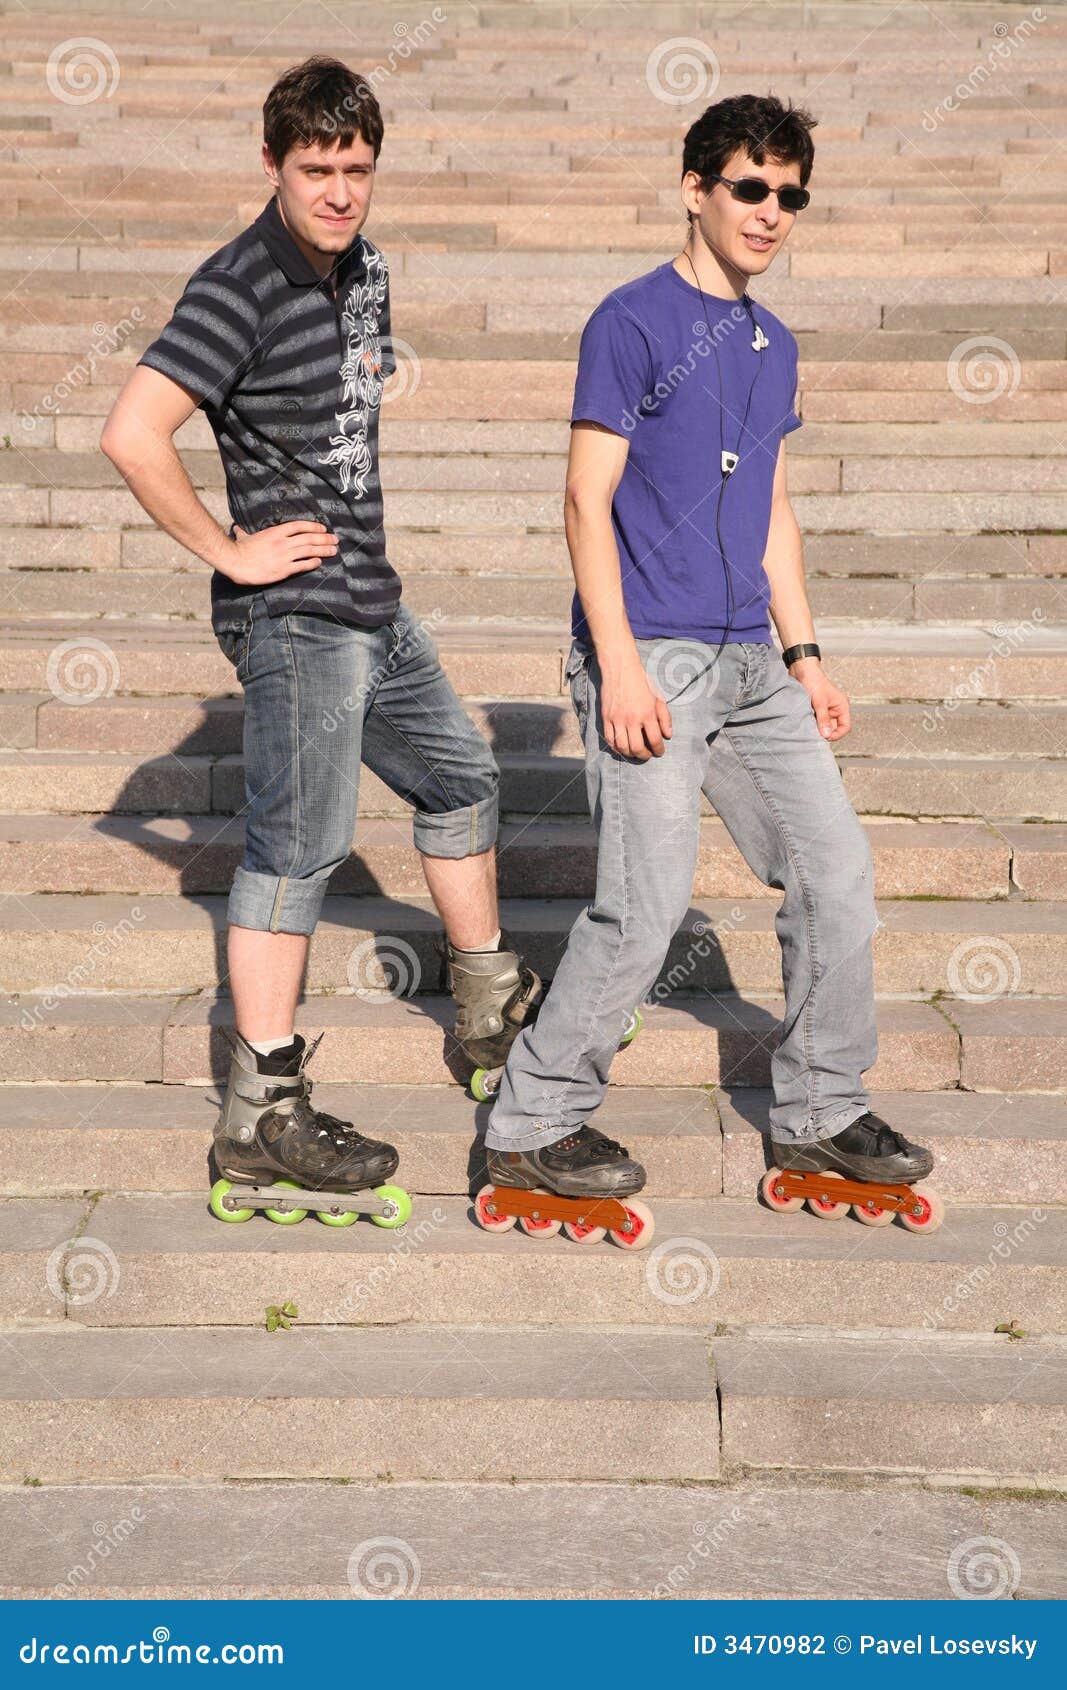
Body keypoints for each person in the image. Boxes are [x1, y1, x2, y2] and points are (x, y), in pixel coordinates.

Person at [100, 55, 541, 1203]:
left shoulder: (364, 267)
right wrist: (231, 546)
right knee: (294, 856)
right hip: (292, 617)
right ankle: (262, 1115)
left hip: (369, 599)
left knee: (461, 780)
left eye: (356, 169)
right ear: (271, 164)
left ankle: (488, 1011)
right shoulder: (234, 285)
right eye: (316, 170)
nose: (340, 192)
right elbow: (133, 433)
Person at [483, 93, 934, 1209]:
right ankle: (531, 1121)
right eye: (749, 188)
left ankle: (821, 1110)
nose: (769, 212)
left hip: (753, 665)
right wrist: (619, 665)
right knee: (643, 906)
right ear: (695, 189)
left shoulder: (771, 344)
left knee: (834, 873)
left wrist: (807, 651)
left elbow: (773, 508)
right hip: (655, 657)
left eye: (788, 196)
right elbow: (585, 502)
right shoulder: (628, 321)